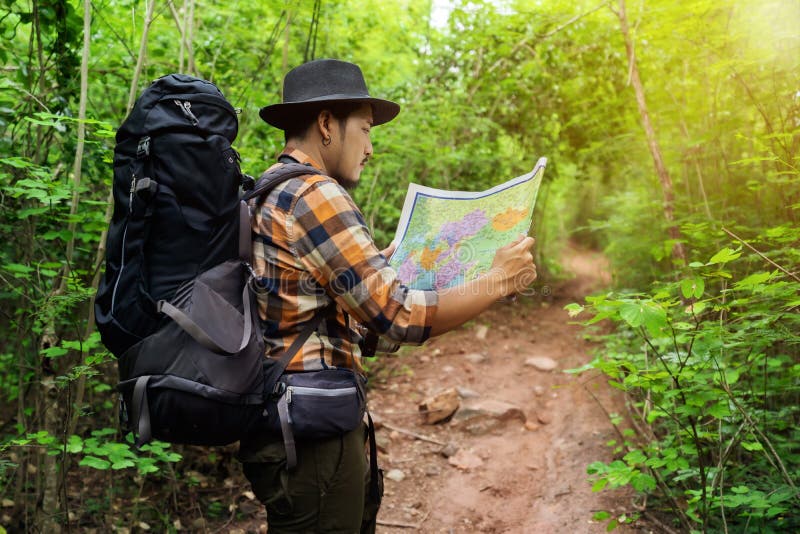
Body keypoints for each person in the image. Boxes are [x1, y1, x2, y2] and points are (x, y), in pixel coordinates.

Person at [238, 58, 537, 533]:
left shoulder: (271, 191)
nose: (371, 147)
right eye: (365, 129)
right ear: (325, 125)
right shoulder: (315, 194)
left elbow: (330, 318)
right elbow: (397, 317)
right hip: (313, 436)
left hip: (292, 424)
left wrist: (385, 270)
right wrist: (496, 281)